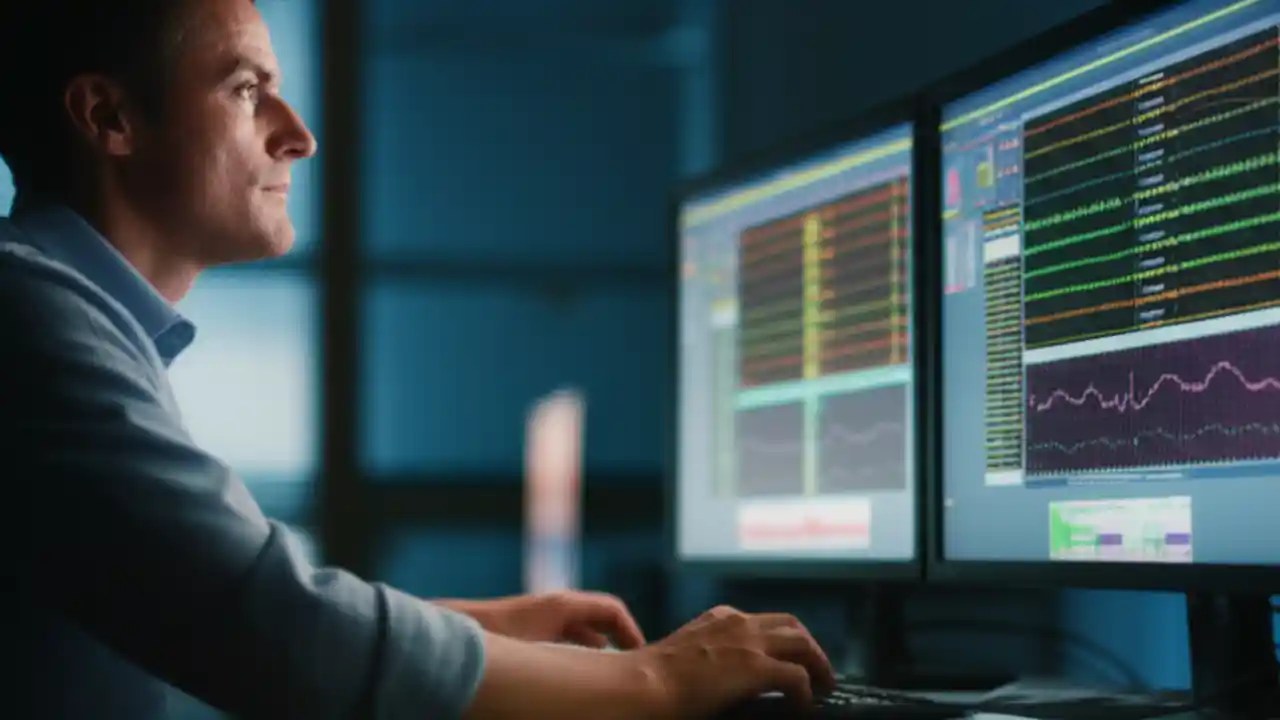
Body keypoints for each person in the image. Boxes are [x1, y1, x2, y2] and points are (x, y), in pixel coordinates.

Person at [0, 1, 835, 718]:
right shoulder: (29, 314)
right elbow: (258, 623)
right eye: (248, 91)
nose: (299, 136)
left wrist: (483, 635)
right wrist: (657, 680)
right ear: (108, 117)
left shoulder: (66, 315)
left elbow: (176, 631)